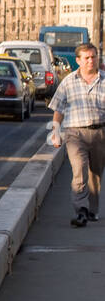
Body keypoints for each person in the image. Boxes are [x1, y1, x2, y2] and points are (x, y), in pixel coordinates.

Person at [48, 42, 105, 226]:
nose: (91, 61)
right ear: (78, 60)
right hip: (75, 134)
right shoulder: (68, 82)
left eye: (93, 57)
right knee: (79, 169)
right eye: (87, 57)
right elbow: (58, 109)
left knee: (95, 173)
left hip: (100, 133)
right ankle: (81, 209)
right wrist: (55, 132)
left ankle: (92, 211)